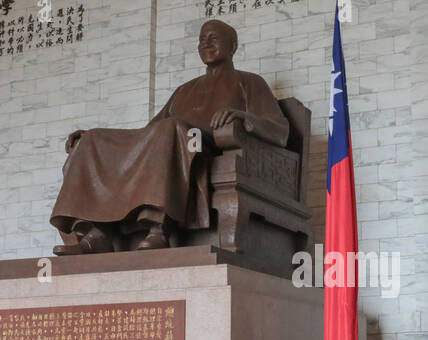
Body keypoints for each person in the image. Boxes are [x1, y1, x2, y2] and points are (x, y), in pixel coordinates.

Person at [50, 19, 289, 254]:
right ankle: (97, 233)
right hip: (172, 141)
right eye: (201, 40)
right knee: (94, 139)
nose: (206, 44)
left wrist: (240, 116)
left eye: (213, 38)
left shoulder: (248, 82)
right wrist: (97, 138)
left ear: (233, 46)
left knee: (171, 128)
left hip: (206, 148)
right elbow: (148, 134)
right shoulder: (184, 90)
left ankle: (158, 229)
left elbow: (280, 130)